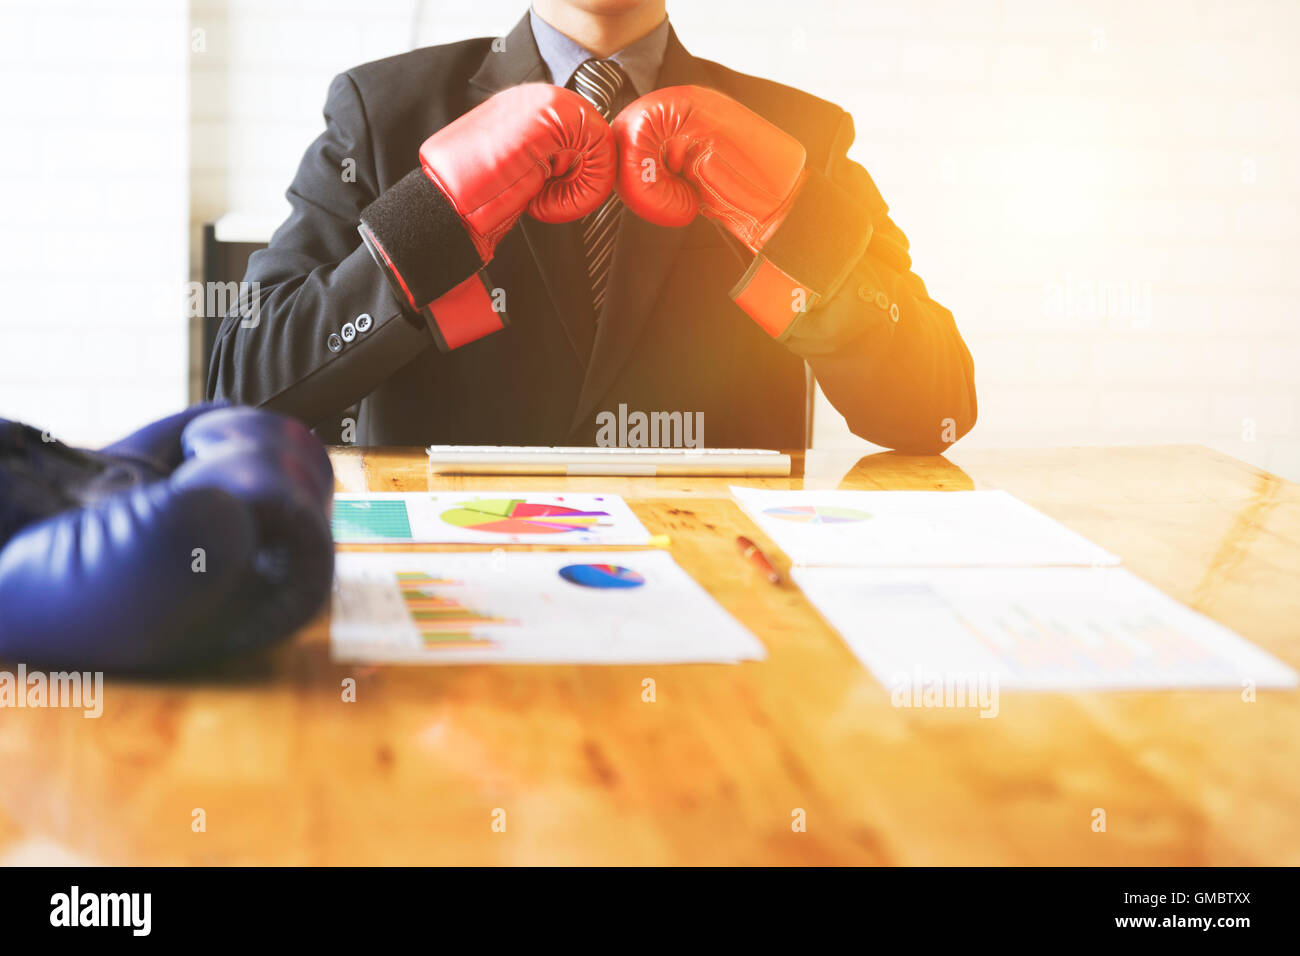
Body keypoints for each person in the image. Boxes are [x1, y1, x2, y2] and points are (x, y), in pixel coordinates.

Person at [208, 1, 976, 453]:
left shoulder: (799, 130)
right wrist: (431, 220)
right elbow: (245, 392)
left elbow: (935, 408)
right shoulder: (384, 111)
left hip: (726, 608)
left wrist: (796, 225)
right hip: (458, 593)